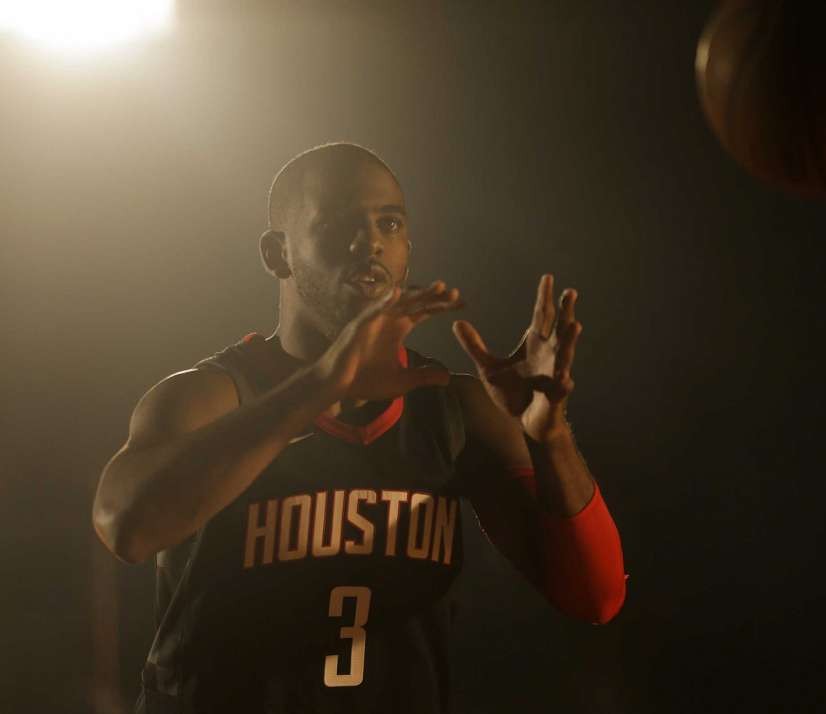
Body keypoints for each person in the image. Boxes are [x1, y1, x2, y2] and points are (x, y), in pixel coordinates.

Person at [92, 142, 627, 714]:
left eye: (388, 223)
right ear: (279, 254)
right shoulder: (209, 396)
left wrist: (551, 437)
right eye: (339, 224)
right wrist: (321, 386)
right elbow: (127, 529)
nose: (369, 241)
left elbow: (597, 598)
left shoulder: (453, 408)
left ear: (406, 250)